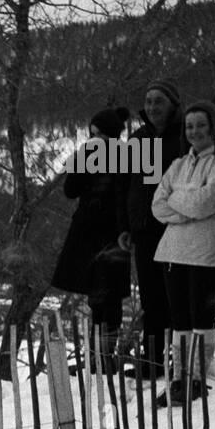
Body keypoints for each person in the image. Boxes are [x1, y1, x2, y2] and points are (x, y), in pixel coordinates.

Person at [150, 101, 215, 407]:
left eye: (201, 125)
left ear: (212, 126)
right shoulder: (177, 165)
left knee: (201, 317)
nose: (195, 131)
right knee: (179, 321)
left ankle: (197, 378)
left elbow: (207, 201)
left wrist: (180, 201)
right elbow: (157, 206)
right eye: (189, 126)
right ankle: (180, 378)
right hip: (173, 251)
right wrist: (188, 207)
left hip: (207, 251)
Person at [51, 106, 134, 372]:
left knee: (109, 297)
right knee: (96, 297)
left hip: (114, 233)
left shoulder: (127, 156)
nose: (95, 138)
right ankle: (98, 357)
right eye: (92, 133)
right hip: (88, 232)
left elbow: (129, 193)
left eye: (100, 134)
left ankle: (105, 356)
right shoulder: (88, 155)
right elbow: (70, 189)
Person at [122, 79, 187, 377]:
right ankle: (153, 361)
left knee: (179, 297)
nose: (152, 107)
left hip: (178, 229)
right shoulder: (138, 139)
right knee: (151, 298)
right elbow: (127, 186)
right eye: (148, 101)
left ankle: (184, 363)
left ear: (173, 103)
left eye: (159, 101)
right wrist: (126, 226)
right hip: (145, 229)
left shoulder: (186, 137)